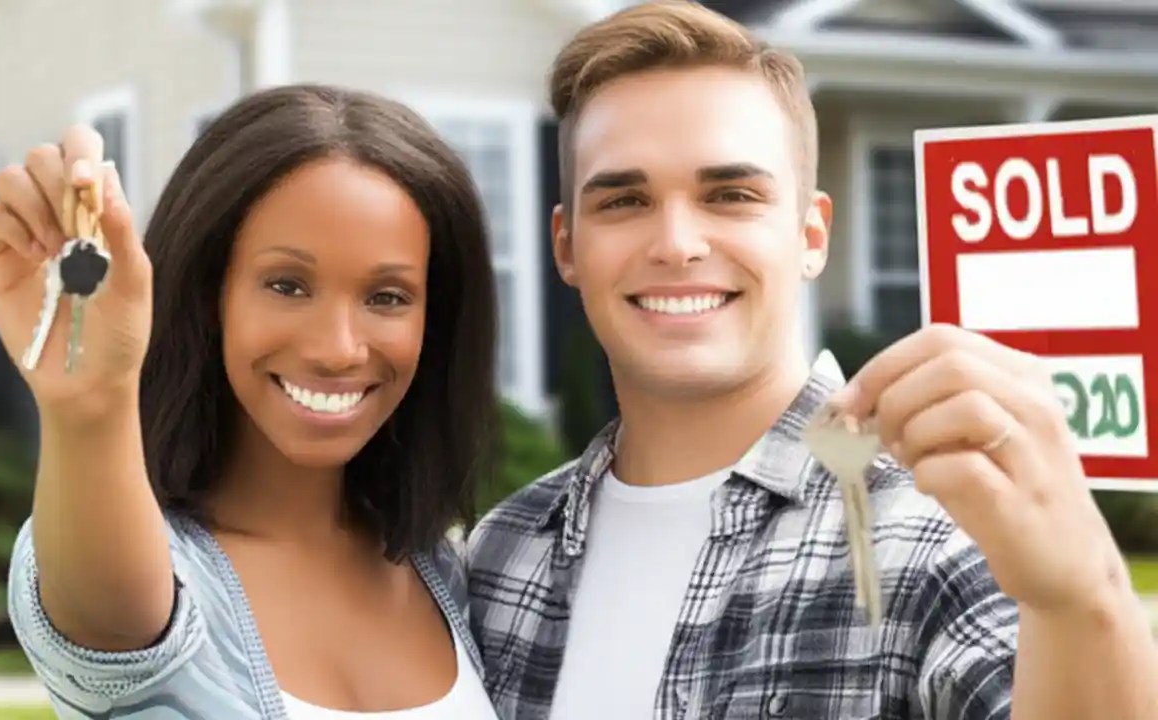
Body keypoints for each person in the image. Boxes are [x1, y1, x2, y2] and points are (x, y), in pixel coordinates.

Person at [466, 2, 1158, 719]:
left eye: (730, 195)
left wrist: (1085, 600)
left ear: (811, 234)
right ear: (567, 247)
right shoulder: (502, 551)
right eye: (625, 200)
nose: (676, 243)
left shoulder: (943, 530)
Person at [0, 84, 503, 718]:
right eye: (287, 284)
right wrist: (90, 398)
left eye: (387, 297)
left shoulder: (445, 571)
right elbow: (112, 628)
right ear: (211, 294)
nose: (338, 349)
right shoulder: (148, 569)